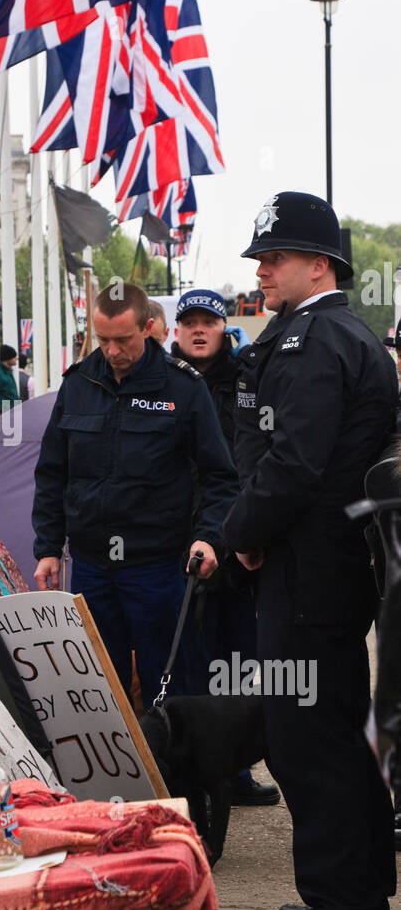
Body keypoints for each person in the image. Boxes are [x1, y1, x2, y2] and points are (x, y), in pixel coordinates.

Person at [224, 192, 398, 910]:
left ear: (319, 264)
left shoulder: (316, 339)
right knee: (332, 734)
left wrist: (239, 537)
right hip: (317, 566)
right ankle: (353, 896)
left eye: (275, 257)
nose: (262, 270)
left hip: (309, 569)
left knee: (307, 743)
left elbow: (293, 463)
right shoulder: (322, 332)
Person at [32, 281, 238, 706]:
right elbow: (53, 472)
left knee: (171, 689)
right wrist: (48, 547)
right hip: (90, 566)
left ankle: (183, 774)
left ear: (149, 329)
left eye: (122, 339)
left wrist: (210, 536)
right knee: (100, 691)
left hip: (157, 568)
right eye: (102, 339)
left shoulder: (184, 388)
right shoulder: (78, 383)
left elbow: (221, 476)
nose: (111, 350)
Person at [171, 288, 279, 808]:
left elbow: (259, 457)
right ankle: (191, 780)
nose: (198, 330)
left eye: (208, 322)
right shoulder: (163, 381)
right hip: (180, 543)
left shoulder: (247, 379)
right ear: (175, 330)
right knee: (190, 667)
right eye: (189, 322)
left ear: (222, 327)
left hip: (236, 542)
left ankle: (234, 773)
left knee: (237, 664)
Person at [0, 344, 20, 416]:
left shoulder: (9, 371)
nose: (16, 358)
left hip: (11, 412)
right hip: (3, 414)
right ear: (7, 357)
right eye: (14, 356)